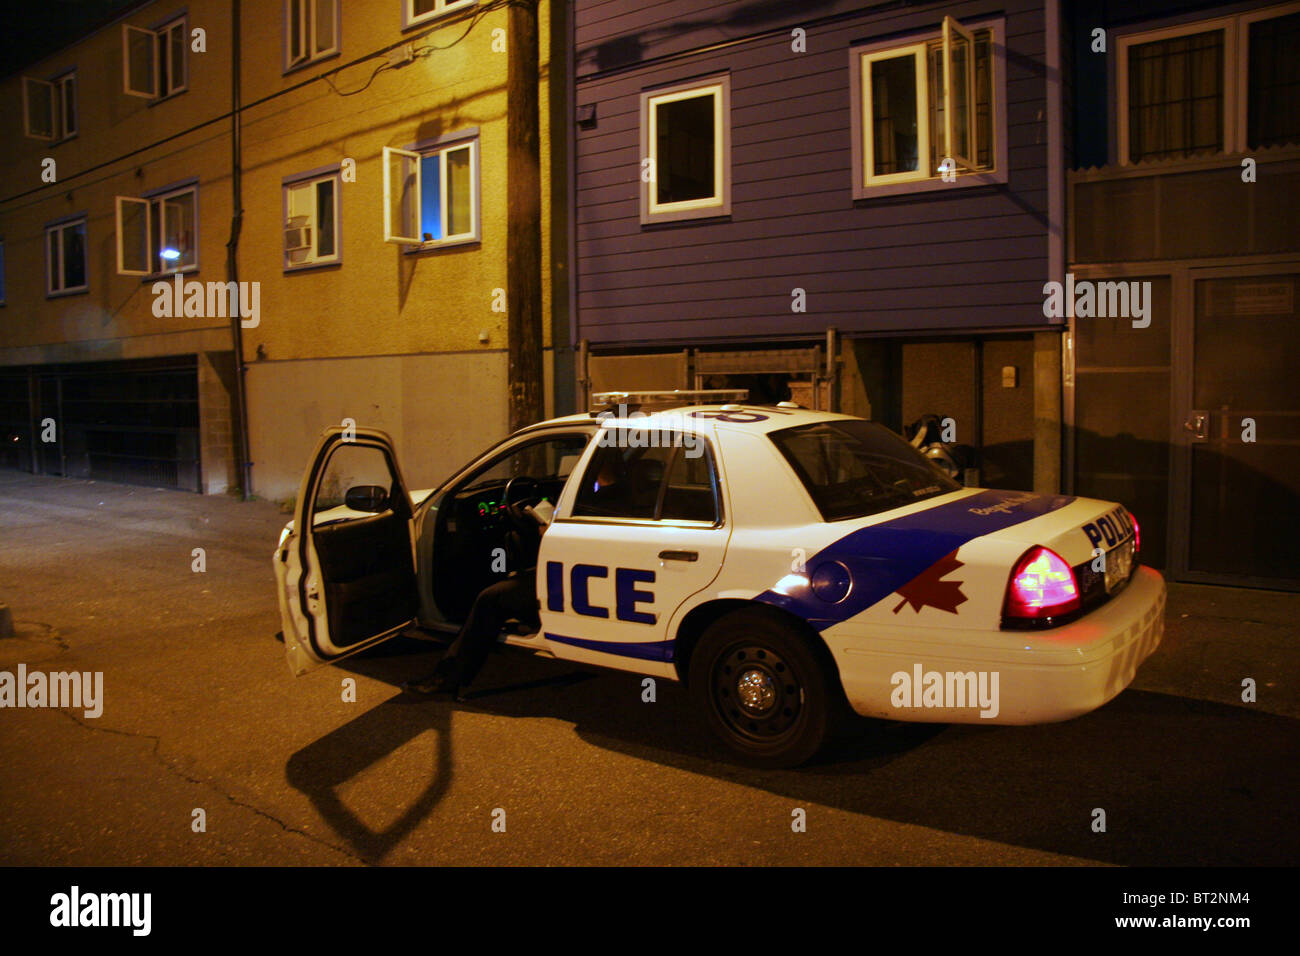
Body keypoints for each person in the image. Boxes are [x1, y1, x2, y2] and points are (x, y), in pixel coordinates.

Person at [402, 498, 553, 701]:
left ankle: (449, 677)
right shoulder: (603, 495)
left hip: (557, 580)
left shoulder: (600, 492)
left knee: (491, 598)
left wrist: (549, 533)